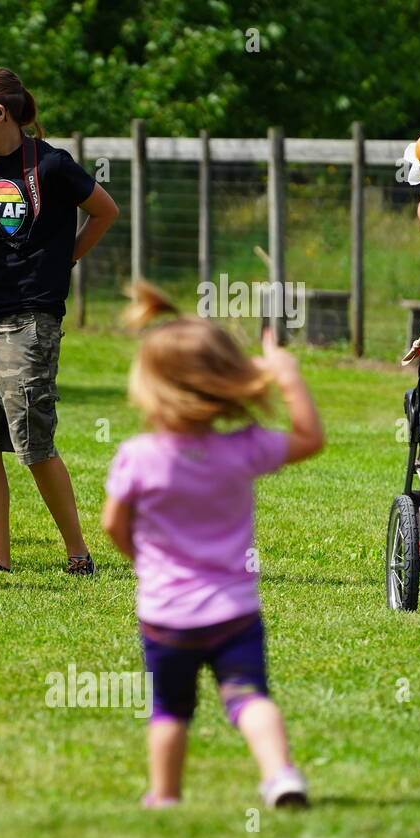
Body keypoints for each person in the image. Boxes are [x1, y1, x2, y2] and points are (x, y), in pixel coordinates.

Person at [101, 284, 324, 809]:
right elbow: (310, 440)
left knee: (170, 710)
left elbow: (113, 525)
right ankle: (281, 775)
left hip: (166, 614)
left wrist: (141, 559)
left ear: (150, 387)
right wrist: (288, 377)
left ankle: (166, 796)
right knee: (249, 697)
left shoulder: (137, 457)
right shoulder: (245, 449)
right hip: (235, 612)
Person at [0, 67, 118, 575]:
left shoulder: (52, 165)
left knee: (32, 443)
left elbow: (106, 211)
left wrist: (68, 259)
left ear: (1, 113)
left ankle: (78, 555)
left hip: (27, 320)